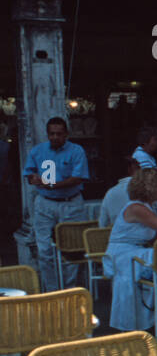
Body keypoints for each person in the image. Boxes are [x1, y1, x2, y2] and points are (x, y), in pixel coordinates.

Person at [103, 167, 157, 333]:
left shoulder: (147, 207)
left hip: (136, 251)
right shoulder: (137, 208)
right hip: (124, 254)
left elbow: (155, 236)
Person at [23, 117, 90, 291]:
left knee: (72, 249)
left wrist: (52, 185)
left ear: (66, 134)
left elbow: (78, 178)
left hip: (71, 203)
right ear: (47, 134)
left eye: (59, 134)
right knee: (45, 251)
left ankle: (69, 290)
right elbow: (29, 174)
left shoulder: (77, 151)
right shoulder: (38, 151)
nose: (54, 137)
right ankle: (52, 291)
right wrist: (34, 178)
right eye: (51, 134)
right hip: (45, 202)